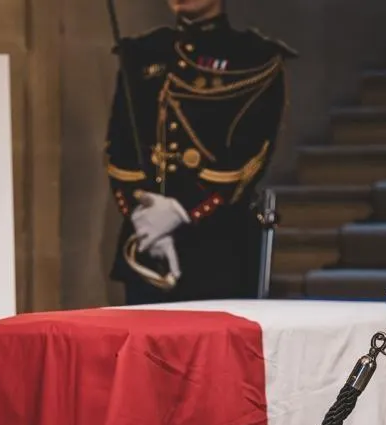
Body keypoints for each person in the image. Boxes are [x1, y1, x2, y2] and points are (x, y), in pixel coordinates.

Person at [104, 0, 295, 305]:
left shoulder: (254, 57)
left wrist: (180, 211)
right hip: (146, 246)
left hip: (217, 250)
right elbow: (120, 149)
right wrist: (146, 217)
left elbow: (249, 154)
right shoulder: (141, 53)